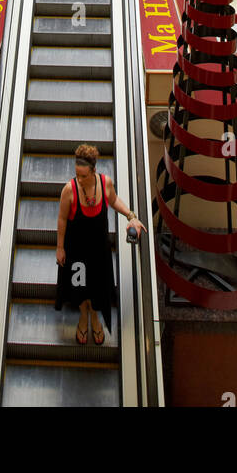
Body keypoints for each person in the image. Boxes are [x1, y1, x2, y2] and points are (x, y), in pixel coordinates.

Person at [55, 144, 143, 345]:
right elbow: (61, 219)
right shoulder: (69, 190)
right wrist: (60, 247)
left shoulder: (105, 184)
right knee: (80, 287)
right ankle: (83, 316)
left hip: (99, 250)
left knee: (96, 287)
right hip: (76, 251)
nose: (79, 179)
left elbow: (113, 201)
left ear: (94, 171)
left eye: (84, 175)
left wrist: (131, 216)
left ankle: (94, 317)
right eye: (77, 174)